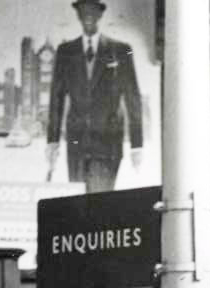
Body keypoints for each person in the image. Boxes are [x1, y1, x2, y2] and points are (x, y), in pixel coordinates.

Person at [45, 0, 145, 194]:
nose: (87, 16)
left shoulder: (121, 51)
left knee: (101, 205)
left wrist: (137, 145)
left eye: (92, 11)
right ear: (78, 16)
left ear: (101, 14)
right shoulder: (66, 52)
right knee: (79, 206)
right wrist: (52, 140)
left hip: (108, 144)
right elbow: (56, 98)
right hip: (76, 144)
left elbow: (133, 98)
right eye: (83, 12)